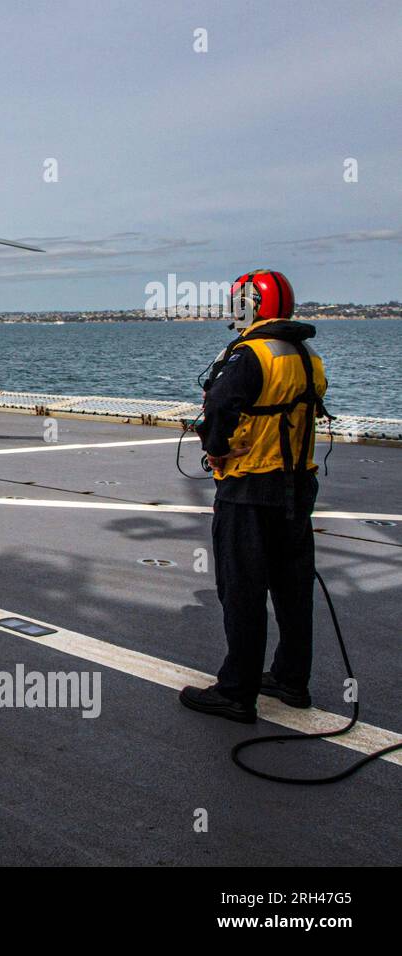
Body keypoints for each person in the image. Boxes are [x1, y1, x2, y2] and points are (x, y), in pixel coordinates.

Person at [179, 269, 329, 723]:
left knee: (242, 589)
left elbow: (220, 406)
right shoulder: (306, 354)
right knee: (292, 588)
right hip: (297, 488)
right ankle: (290, 679)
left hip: (249, 488)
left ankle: (237, 691)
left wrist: (217, 447)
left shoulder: (249, 354)